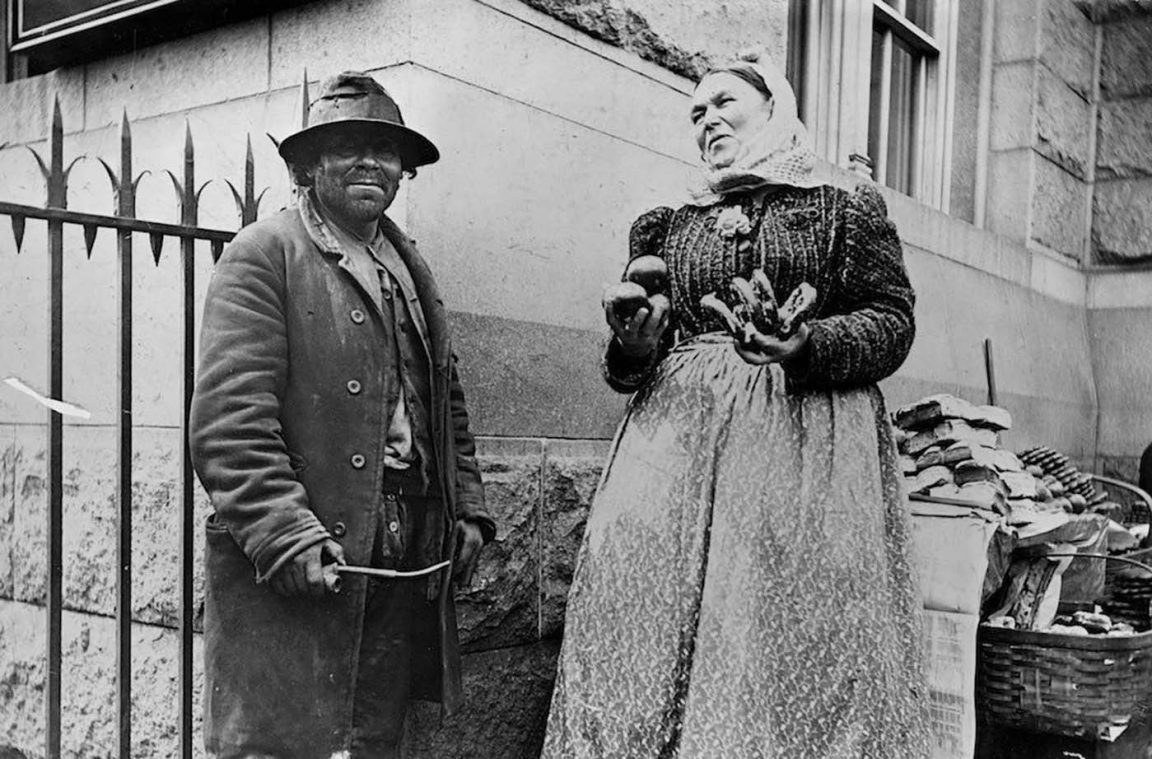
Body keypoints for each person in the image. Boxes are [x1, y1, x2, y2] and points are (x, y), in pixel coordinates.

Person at [542, 50, 931, 757]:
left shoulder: (842, 205)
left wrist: (805, 343)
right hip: (674, 459)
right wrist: (634, 344)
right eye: (696, 113)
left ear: (772, 104)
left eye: (723, 102)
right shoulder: (668, 225)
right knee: (648, 625)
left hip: (802, 449)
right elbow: (641, 360)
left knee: (777, 632)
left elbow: (892, 319)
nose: (707, 120)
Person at [189, 71, 496, 759]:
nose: (371, 163)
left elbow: (445, 400)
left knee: (371, 740)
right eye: (347, 146)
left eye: (386, 151)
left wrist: (467, 507)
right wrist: (287, 535)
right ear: (306, 165)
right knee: (281, 743)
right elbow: (229, 427)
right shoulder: (264, 255)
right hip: (307, 558)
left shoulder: (411, 269)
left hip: (400, 553)